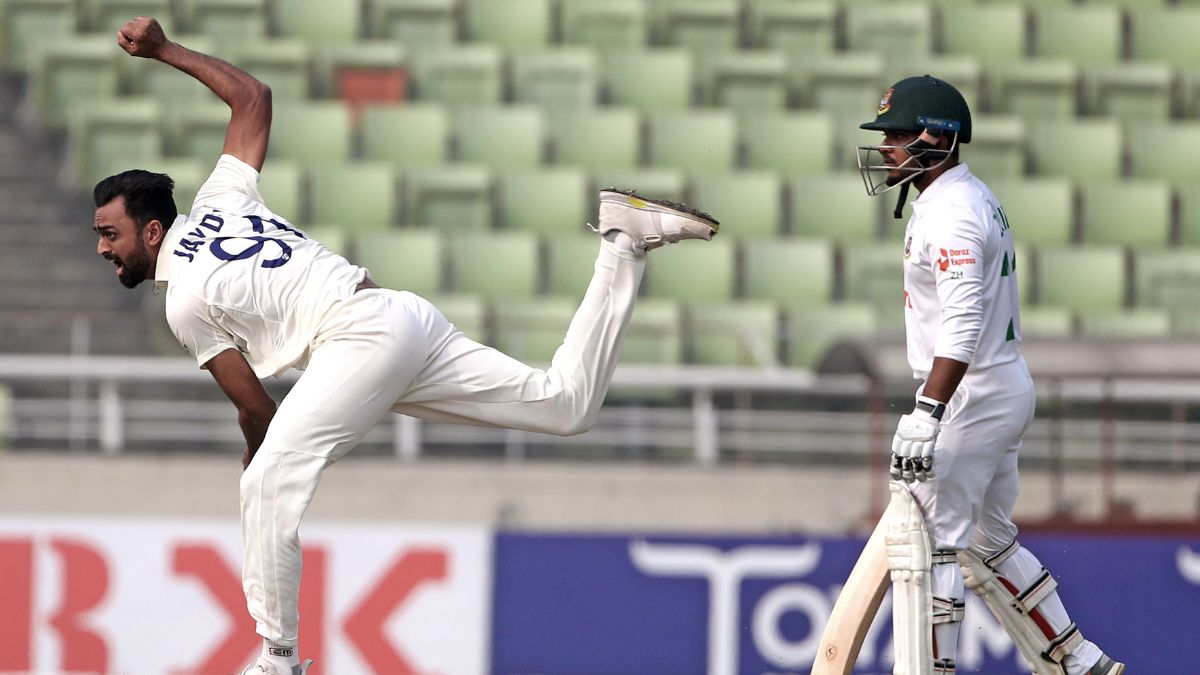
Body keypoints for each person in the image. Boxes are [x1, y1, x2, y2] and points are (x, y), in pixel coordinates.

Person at [92, 17, 719, 675]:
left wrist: (257, 461)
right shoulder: (220, 198)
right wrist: (165, 51)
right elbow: (253, 98)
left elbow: (256, 410)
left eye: (111, 234)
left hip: (359, 339)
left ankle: (277, 658)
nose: (104, 247)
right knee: (566, 406)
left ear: (154, 229)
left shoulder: (183, 302)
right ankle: (623, 240)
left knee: (269, 483)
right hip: (399, 318)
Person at [856, 75, 1124, 675]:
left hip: (969, 394)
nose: (886, 150)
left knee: (928, 546)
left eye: (897, 136)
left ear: (938, 137)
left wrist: (929, 411)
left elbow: (963, 322)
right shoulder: (960, 197)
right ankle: (1077, 662)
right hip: (999, 386)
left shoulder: (953, 214)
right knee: (985, 543)